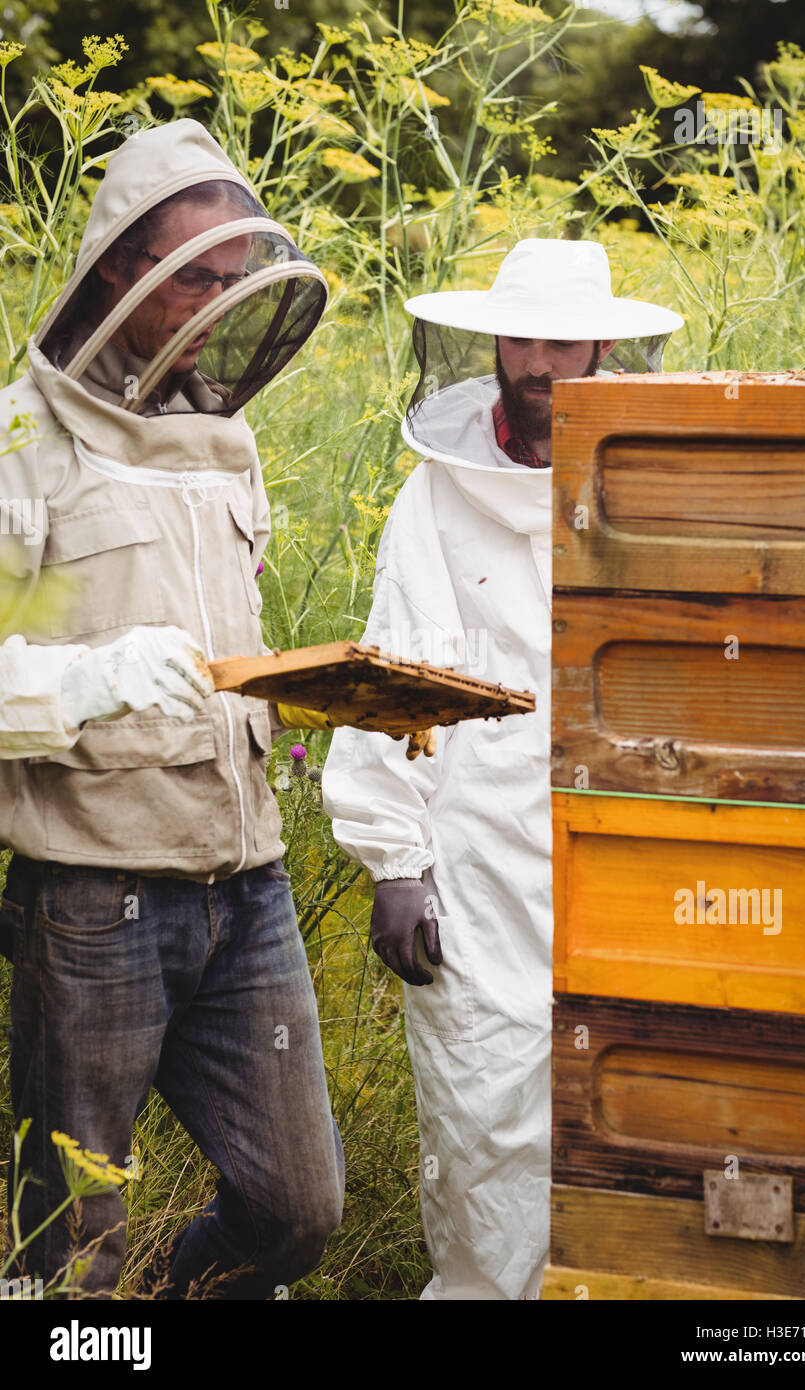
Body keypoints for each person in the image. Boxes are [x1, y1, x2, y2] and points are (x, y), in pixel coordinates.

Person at [0, 117, 344, 1298]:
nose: (216, 301)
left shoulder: (226, 440)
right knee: (68, 1250)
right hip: (93, 904)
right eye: (191, 276)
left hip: (248, 886)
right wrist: (84, 680)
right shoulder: (21, 441)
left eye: (230, 279)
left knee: (299, 1208)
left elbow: (226, 643)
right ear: (117, 271)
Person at [322, 238, 683, 1300]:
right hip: (476, 866)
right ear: (489, 343)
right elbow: (394, 675)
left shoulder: (653, 485)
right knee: (484, 1127)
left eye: (560, 342)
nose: (537, 363)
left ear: (602, 348)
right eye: (519, 338)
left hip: (629, 860)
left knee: (632, 1123)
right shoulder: (431, 504)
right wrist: (393, 859)